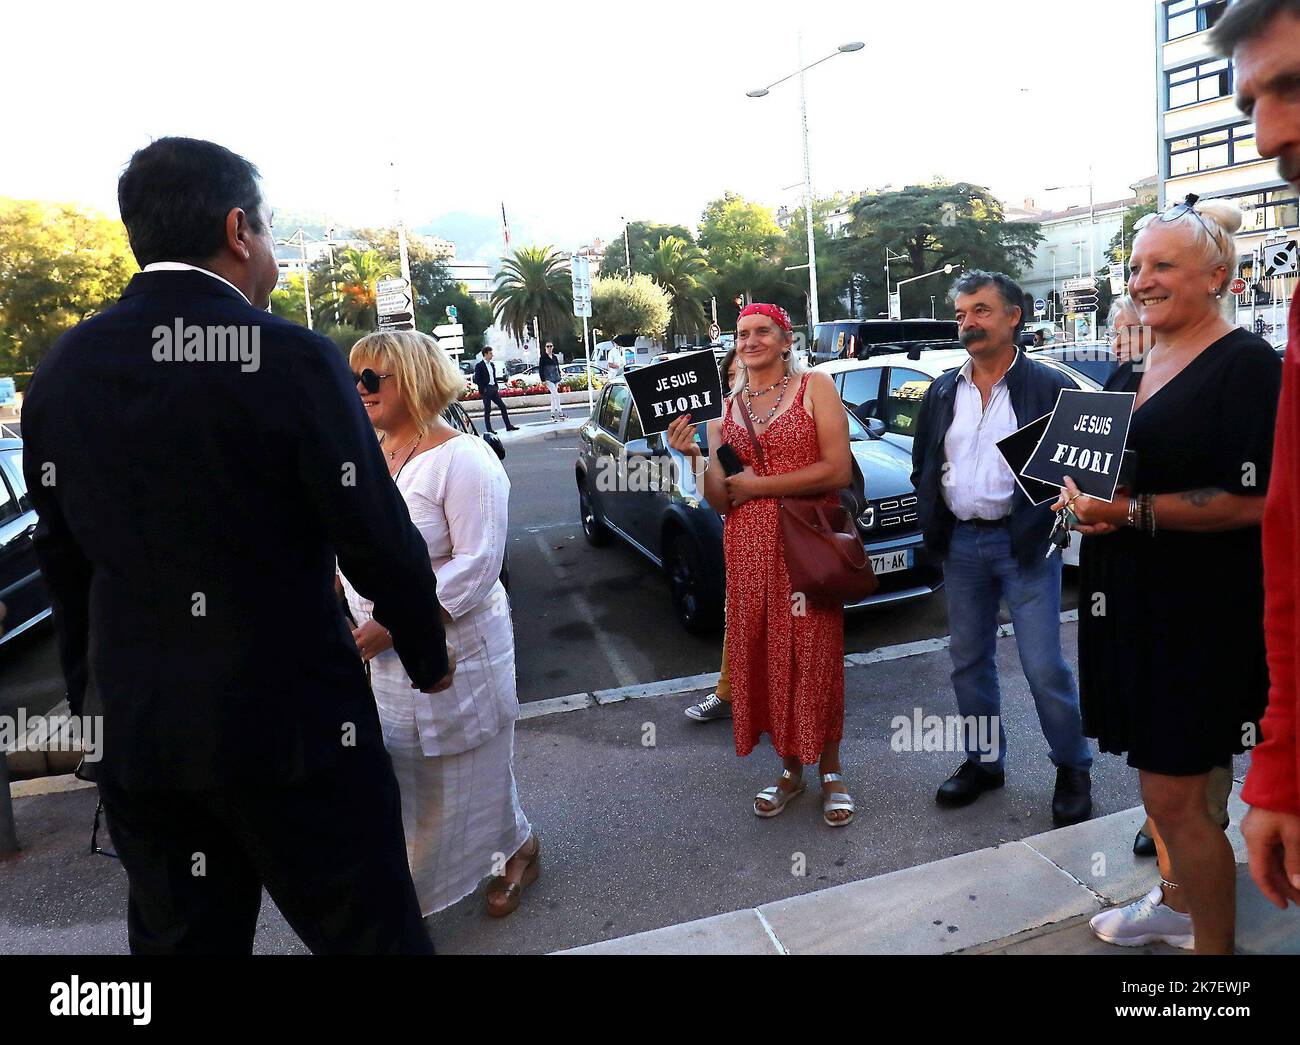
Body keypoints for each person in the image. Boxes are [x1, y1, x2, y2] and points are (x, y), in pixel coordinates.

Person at [21, 137, 455, 955]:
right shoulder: (290, 357)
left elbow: (65, 561)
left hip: (144, 741)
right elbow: (374, 532)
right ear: (237, 230)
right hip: (295, 734)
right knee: (371, 937)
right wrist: (428, 655)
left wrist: (95, 701)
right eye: (265, 225)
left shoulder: (62, 372)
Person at [1065, 195, 1281, 953]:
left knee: (1176, 796)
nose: (1141, 280)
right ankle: (1177, 903)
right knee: (1160, 787)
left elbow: (1256, 500)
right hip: (1126, 601)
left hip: (1199, 613)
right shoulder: (1135, 361)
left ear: (1217, 274)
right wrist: (1078, 502)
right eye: (1134, 267)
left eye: (1162, 265)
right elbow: (1109, 478)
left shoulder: (1250, 365)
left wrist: (1128, 512)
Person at [345, 330, 538, 919]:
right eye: (356, 378)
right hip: (383, 662)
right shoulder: (369, 456)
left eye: (374, 378)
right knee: (413, 774)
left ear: (416, 379)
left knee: (469, 763)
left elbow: (478, 564)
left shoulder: (464, 459)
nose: (361, 389)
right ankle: (518, 842)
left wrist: (394, 623)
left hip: (456, 650)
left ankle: (416, 901)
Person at [911, 270, 1093, 825]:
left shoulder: (1047, 387)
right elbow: (925, 460)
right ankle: (984, 763)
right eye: (962, 313)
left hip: (1026, 546)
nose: (968, 323)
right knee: (968, 663)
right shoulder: (944, 387)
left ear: (1013, 316)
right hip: (962, 545)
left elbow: (1083, 462)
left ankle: (1072, 767)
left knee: (1043, 666)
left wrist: (1070, 502)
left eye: (982, 311)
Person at [667, 305, 857, 827]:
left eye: (762, 332)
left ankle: (832, 771)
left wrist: (760, 486)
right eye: (743, 334)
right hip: (747, 548)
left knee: (816, 654)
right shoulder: (724, 411)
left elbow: (836, 470)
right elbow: (723, 501)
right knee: (767, 657)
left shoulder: (814, 386)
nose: (750, 341)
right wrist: (693, 458)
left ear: (784, 338)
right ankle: (791, 770)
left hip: (805, 545)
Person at [1212, 0, 1300, 913]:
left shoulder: (1245, 361)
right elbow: (1293, 535)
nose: (1271, 134)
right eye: (1250, 106)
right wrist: (1280, 759)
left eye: (1294, 85)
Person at [685, 346, 739, 723]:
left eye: (747, 373)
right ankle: (729, 693)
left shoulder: (800, 403)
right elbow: (721, 497)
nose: (742, 381)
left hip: (799, 532)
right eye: (733, 376)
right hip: (744, 533)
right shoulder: (719, 421)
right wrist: (692, 455)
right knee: (737, 615)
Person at [473, 347, 519, 432]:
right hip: (486, 390)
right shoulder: (479, 365)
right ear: (485, 354)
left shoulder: (492, 365)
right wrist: (484, 387)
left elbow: (493, 376)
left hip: (493, 388)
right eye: (490, 353)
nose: (492, 355)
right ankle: (489, 429)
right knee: (488, 410)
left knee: (502, 406)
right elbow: (476, 379)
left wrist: (496, 386)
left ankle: (508, 426)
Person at [539, 341, 564, 422]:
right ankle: (560, 413)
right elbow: (540, 369)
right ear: (545, 348)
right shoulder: (543, 357)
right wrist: (542, 380)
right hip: (548, 379)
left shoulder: (554, 357)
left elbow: (557, 367)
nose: (549, 348)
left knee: (553, 397)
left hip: (556, 378)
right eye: (547, 346)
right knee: (556, 395)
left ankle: (552, 415)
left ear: (553, 347)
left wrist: (559, 375)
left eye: (550, 346)